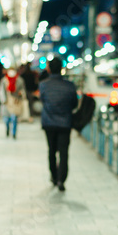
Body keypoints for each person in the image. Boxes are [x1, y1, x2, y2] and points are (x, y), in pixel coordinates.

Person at [38, 57, 79, 191]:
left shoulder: (43, 85)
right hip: (65, 123)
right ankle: (62, 179)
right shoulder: (70, 86)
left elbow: (43, 100)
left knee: (51, 150)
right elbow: (74, 104)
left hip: (49, 122)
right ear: (61, 69)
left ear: (49, 69)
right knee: (64, 152)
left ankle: (54, 176)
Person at [0, 67, 27, 139]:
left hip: (15, 102)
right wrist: (3, 100)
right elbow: (1, 91)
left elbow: (23, 90)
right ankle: (7, 129)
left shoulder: (20, 80)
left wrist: (21, 94)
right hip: (6, 102)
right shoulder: (4, 80)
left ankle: (14, 133)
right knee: (6, 119)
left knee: (14, 118)